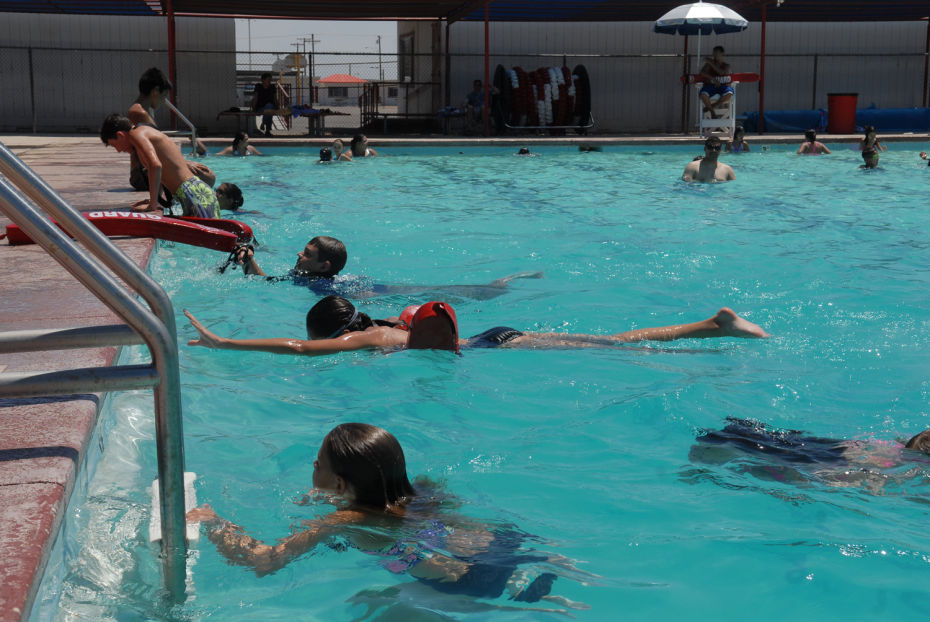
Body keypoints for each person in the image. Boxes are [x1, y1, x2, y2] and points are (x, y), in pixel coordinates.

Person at [187, 423, 586, 608]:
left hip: (472, 583)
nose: (313, 464)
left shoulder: (345, 521)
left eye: (318, 462)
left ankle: (523, 599)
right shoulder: (422, 490)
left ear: (340, 483)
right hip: (508, 542)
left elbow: (266, 562)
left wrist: (215, 523)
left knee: (365, 605)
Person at [185, 297, 768, 357]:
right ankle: (708, 325)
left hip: (493, 347)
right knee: (611, 343)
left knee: (614, 348)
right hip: (494, 337)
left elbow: (296, 348)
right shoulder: (385, 324)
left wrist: (224, 341)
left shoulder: (367, 338)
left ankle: (711, 325)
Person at [229, 235, 544, 300]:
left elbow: (263, 283)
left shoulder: (315, 283)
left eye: (306, 253)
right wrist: (250, 255)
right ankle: (504, 282)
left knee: (447, 293)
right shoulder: (307, 275)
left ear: (324, 265)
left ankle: (503, 283)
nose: (299, 254)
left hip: (377, 293)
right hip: (367, 286)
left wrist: (251, 262)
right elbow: (268, 279)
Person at [689, 417, 930, 490]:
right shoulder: (908, 468)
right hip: (827, 460)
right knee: (769, 460)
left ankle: (737, 431)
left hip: (829, 447)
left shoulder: (896, 445)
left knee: (775, 441)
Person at [101, 113, 220, 218]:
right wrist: (153, 199)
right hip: (195, 193)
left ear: (120, 135)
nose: (118, 150)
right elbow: (160, 171)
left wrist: (153, 204)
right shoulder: (144, 131)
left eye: (114, 145)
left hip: (193, 194)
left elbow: (155, 166)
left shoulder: (136, 134)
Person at [129, 67, 208, 157]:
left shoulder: (141, 111)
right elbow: (159, 148)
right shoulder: (139, 114)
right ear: (155, 91)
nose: (163, 101)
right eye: (164, 96)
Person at [698, 46, 733, 119]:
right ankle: (712, 112)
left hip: (723, 86)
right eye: (714, 53)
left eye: (717, 52)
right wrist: (712, 78)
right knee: (703, 94)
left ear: (722, 53)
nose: (715, 55)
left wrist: (711, 62)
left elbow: (721, 72)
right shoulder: (709, 65)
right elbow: (702, 73)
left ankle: (713, 105)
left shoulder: (726, 65)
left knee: (729, 93)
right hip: (710, 86)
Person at [251, 73, 279, 137]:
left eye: (270, 80)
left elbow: (275, 98)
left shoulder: (272, 87)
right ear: (263, 80)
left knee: (269, 108)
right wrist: (253, 109)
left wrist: (278, 107)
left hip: (271, 107)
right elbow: (255, 98)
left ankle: (263, 123)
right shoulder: (258, 87)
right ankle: (267, 131)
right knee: (269, 110)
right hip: (260, 108)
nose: (269, 81)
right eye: (268, 80)